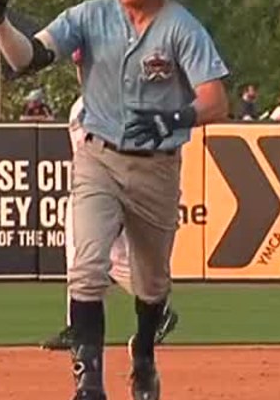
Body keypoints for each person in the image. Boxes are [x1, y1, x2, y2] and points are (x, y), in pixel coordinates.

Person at [0, 0, 230, 400]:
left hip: (156, 168)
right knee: (87, 266)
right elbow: (29, 59)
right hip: (97, 156)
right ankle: (88, 391)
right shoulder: (91, 16)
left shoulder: (180, 27)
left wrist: (175, 118)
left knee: (151, 283)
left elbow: (215, 100)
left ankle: (142, 351)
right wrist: (1, 23)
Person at [39, 55, 181, 354]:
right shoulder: (82, 105)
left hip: (112, 190)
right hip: (88, 187)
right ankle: (79, 326)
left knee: (107, 260)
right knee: (83, 260)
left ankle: (157, 305)